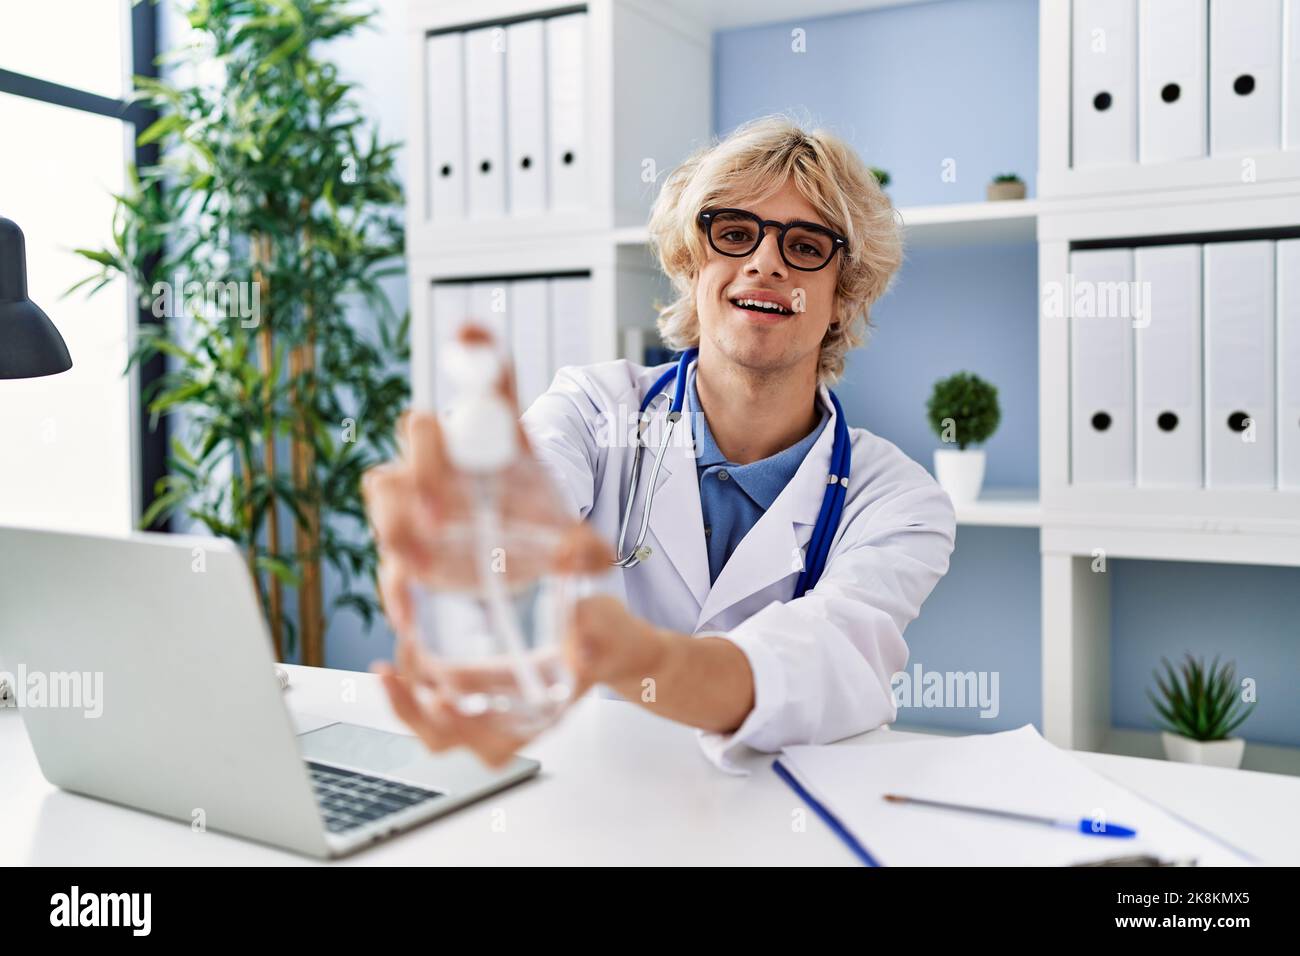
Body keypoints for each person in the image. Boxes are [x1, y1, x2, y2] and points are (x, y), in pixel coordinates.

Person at [363, 115, 957, 774]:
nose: (764, 262)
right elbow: (526, 501)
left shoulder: (900, 501)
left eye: (806, 247)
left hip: (786, 812)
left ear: (843, 295)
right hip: (595, 791)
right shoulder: (594, 409)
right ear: (689, 263)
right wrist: (475, 541)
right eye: (734, 234)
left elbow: (828, 658)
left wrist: (638, 658)